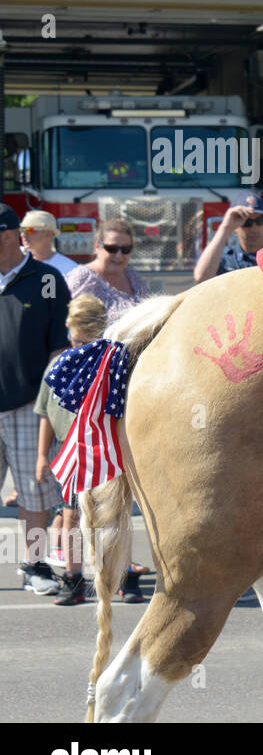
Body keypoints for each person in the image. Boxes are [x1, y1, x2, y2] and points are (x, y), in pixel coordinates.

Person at [0, 203, 71, 595]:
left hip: (28, 403)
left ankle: (34, 564)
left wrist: (49, 407)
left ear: (10, 235)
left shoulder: (46, 279)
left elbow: (58, 349)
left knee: (35, 493)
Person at [37, 295, 108, 605]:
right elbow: (46, 413)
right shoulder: (60, 364)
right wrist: (43, 456)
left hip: (100, 447)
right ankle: (74, 575)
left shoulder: (108, 362)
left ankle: (109, 574)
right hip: (71, 451)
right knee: (71, 516)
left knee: (97, 518)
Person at [66, 220, 149, 324]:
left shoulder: (133, 277)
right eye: (112, 248)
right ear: (97, 245)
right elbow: (66, 318)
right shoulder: (83, 278)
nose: (119, 255)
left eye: (126, 249)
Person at [193, 193, 263, 283]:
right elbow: (201, 277)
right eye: (247, 222)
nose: (254, 228)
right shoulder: (225, 259)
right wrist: (225, 227)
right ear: (236, 226)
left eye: (260, 221)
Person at [20, 210, 78, 278]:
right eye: (22, 230)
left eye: (29, 230)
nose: (23, 235)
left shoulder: (70, 269)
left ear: (49, 234)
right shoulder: (14, 263)